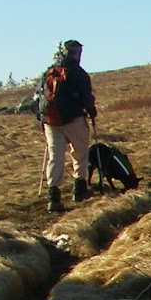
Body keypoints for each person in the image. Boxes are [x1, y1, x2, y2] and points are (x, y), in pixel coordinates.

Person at [37, 39, 98, 212]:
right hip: (73, 118)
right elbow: (86, 97)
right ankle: (79, 190)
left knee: (55, 156)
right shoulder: (78, 73)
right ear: (77, 52)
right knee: (80, 152)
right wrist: (92, 111)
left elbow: (39, 95)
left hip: (50, 119)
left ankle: (53, 197)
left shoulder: (49, 71)